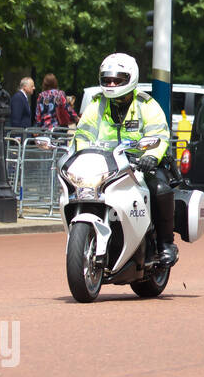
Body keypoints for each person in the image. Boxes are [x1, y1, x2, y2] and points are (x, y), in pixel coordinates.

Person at [71, 53, 177, 267]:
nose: (111, 84)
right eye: (107, 80)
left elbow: (160, 134)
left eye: (117, 80)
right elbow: (82, 136)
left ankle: (166, 243)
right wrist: (81, 157)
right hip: (106, 163)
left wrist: (150, 157)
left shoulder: (146, 104)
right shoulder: (96, 105)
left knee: (159, 189)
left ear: (131, 79)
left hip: (140, 163)